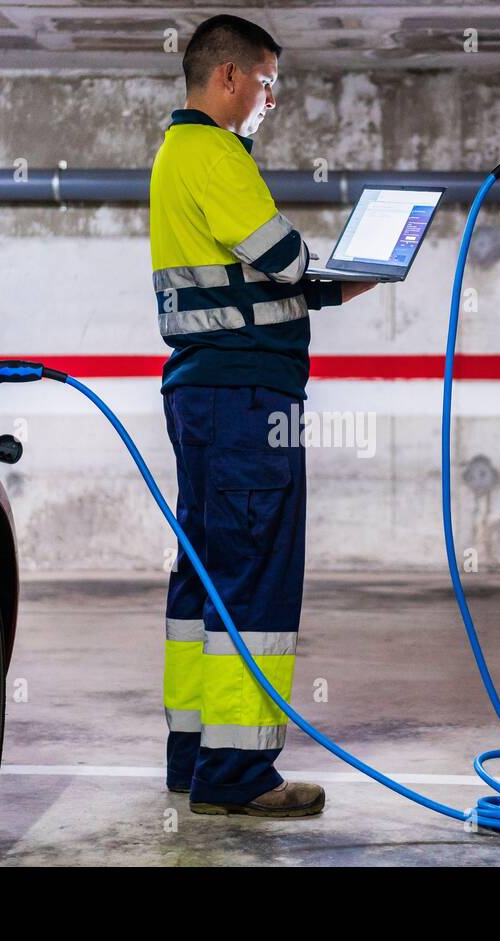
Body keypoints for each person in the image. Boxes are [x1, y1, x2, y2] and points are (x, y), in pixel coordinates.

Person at [149, 14, 374, 817]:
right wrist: (352, 274)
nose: (270, 100)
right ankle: (238, 776)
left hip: (203, 395)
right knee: (253, 579)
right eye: (268, 83)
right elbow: (282, 261)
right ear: (230, 78)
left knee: (203, 577)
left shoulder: (174, 156)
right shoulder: (214, 153)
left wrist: (327, 282)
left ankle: (194, 757)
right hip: (248, 401)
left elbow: (254, 277)